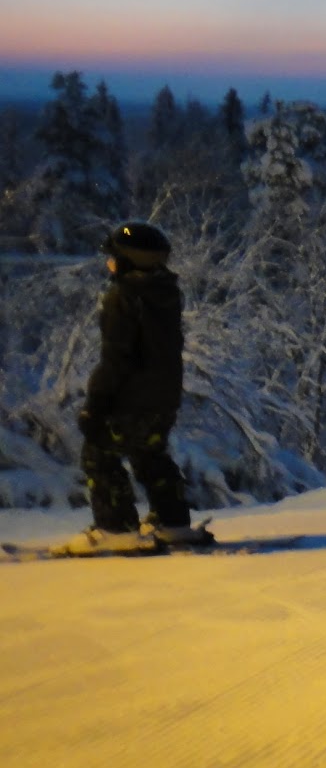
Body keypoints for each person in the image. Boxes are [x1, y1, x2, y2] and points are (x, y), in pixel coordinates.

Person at [64, 221, 203, 554]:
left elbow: (116, 357)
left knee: (100, 454)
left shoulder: (122, 297)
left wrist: (95, 404)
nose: (108, 263)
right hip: (164, 398)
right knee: (149, 453)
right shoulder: (166, 293)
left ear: (128, 259)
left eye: (112, 257)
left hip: (130, 400)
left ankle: (116, 529)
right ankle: (173, 524)